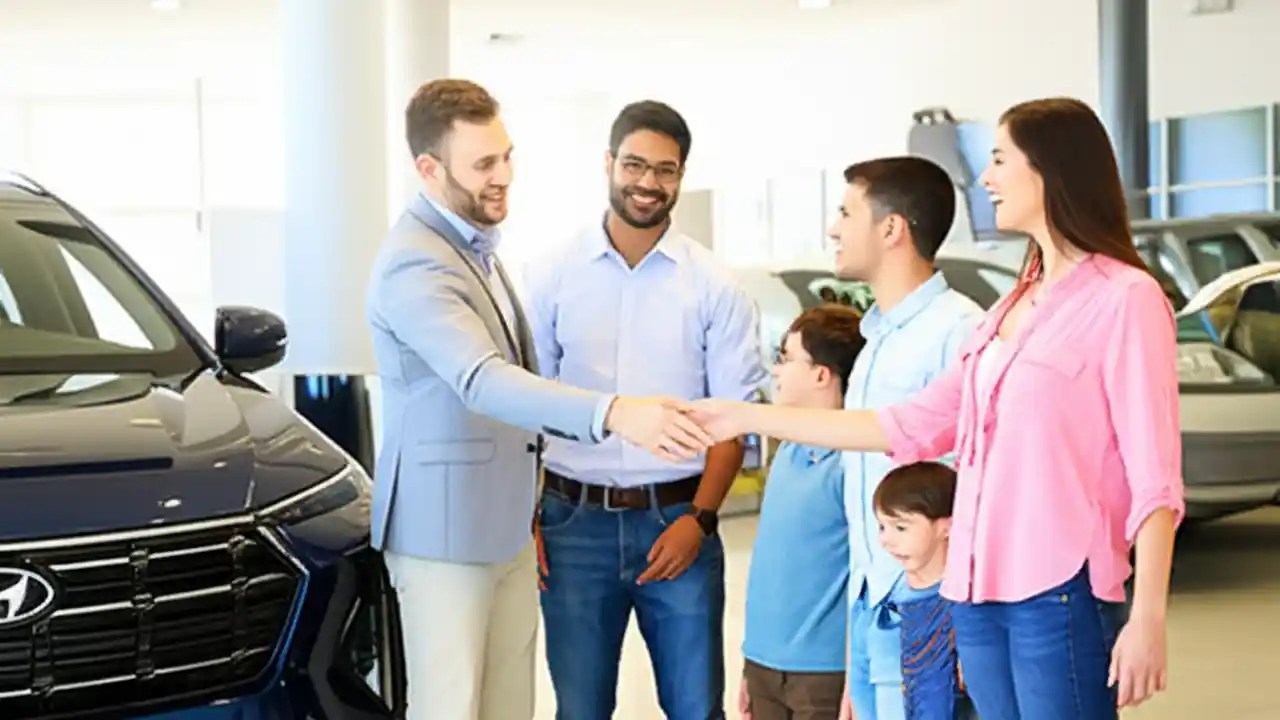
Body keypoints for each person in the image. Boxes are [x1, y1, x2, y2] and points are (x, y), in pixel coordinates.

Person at [688, 96, 1183, 719]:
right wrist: (746, 417)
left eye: (999, 158)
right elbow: (902, 426)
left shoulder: (1125, 299)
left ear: (1050, 169)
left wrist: (1150, 616)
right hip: (975, 593)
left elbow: (1155, 476)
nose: (986, 177)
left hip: (1059, 592)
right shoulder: (1011, 308)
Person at [365, 79, 711, 720]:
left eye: (506, 156)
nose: (504, 177)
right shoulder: (416, 262)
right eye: (484, 164)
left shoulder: (477, 248)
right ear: (429, 169)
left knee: (508, 709)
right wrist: (615, 412)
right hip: (443, 534)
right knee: (450, 708)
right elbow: (483, 379)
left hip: (504, 529)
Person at [522, 99, 767, 720]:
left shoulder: (714, 284)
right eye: (635, 165)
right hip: (572, 525)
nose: (648, 183)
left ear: (682, 176)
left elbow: (733, 421)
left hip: (679, 519)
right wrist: (528, 515)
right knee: (579, 710)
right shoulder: (551, 274)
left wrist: (702, 520)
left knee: (694, 709)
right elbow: (527, 407)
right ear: (608, 163)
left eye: (665, 170)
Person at [827, 156, 982, 720]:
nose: (833, 228)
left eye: (846, 212)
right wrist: (856, 657)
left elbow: (974, 489)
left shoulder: (958, 330)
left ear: (891, 228)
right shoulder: (876, 343)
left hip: (931, 607)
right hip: (873, 605)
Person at [739, 304, 864, 720]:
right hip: (763, 664)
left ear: (821, 375)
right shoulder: (788, 450)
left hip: (824, 674)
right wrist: (749, 662)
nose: (776, 370)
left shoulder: (854, 463)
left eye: (786, 358)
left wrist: (857, 674)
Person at [872, 461, 975, 720]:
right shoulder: (896, 598)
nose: (885, 540)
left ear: (947, 527)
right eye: (882, 527)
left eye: (901, 528)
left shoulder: (969, 601)